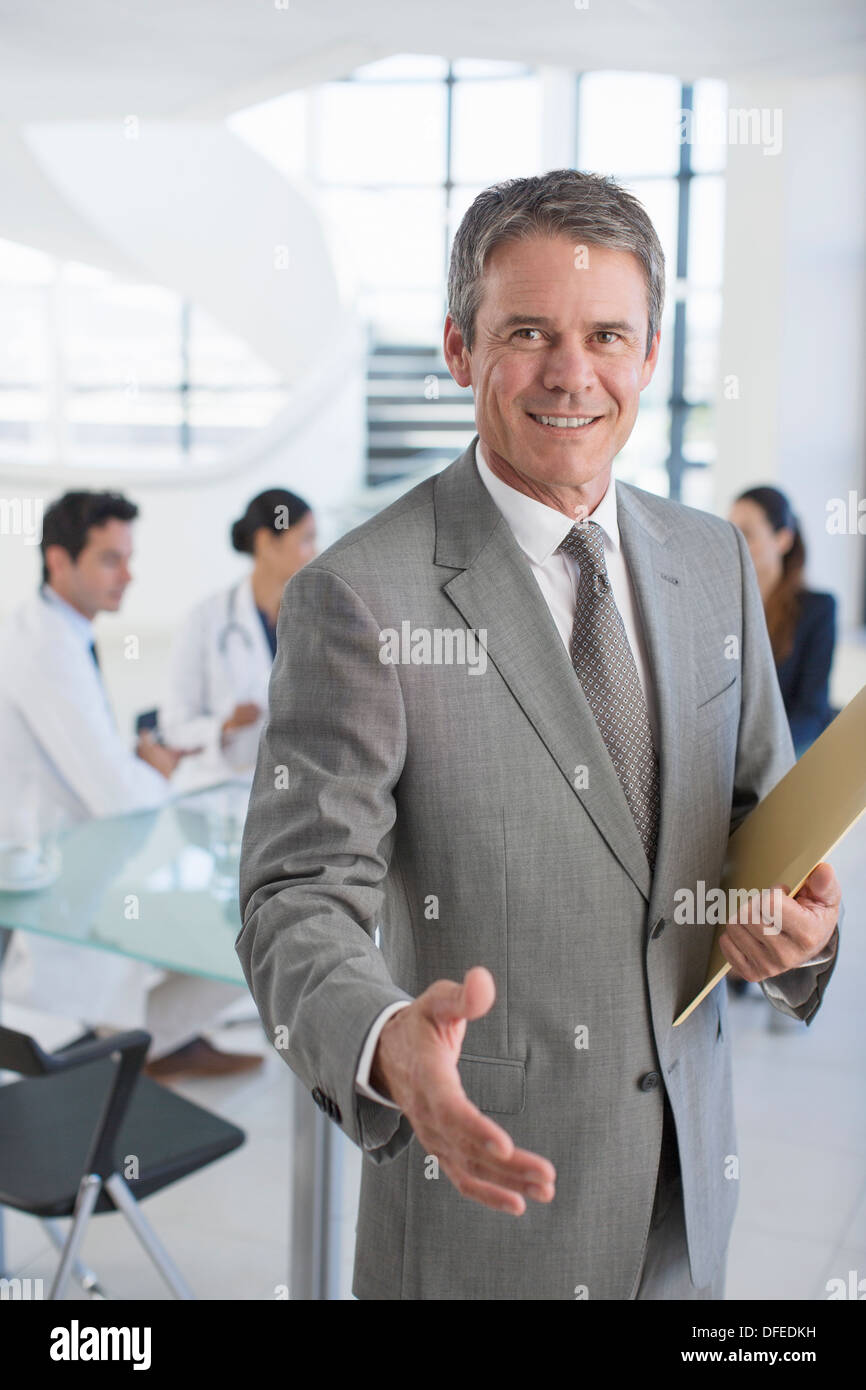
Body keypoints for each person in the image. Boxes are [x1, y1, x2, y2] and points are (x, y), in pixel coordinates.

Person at [236, 170, 842, 1300]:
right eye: (528, 332)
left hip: (681, 1199)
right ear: (461, 349)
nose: (572, 374)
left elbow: (757, 814)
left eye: (606, 333)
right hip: (483, 1216)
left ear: (650, 357)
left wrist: (798, 931)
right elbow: (292, 898)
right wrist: (382, 1042)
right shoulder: (359, 595)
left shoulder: (711, 562)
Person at [0, 490, 263, 1079]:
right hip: (56, 884)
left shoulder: (55, 631)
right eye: (110, 560)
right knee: (247, 937)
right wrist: (159, 769)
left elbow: (84, 757)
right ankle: (142, 1048)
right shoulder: (47, 648)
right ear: (58, 562)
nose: (129, 575)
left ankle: (148, 1043)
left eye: (129, 557)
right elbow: (115, 796)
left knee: (226, 929)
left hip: (76, 862)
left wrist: (143, 763)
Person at [160, 489, 316, 779]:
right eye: (306, 540)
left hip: (296, 790)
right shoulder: (206, 619)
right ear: (267, 543)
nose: (316, 552)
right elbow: (175, 728)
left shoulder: (316, 619)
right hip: (223, 798)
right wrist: (224, 726)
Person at [729, 486, 837, 758]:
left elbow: (811, 711)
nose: (734, 543)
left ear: (783, 539)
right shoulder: (721, 605)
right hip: (726, 759)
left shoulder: (817, 609)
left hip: (784, 754)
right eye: (730, 531)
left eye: (747, 533)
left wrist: (756, 755)